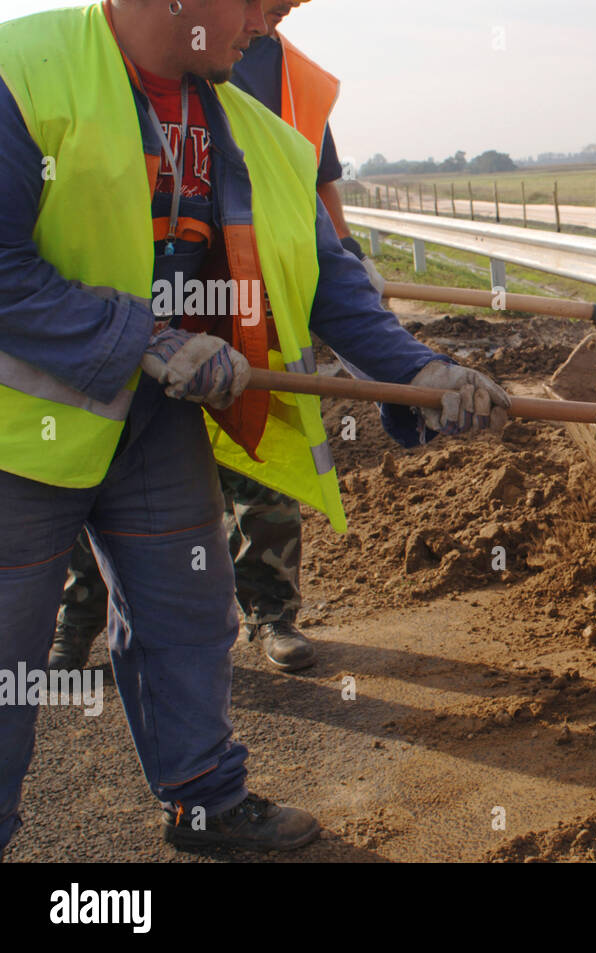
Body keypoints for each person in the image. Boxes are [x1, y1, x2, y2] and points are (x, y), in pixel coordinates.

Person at [0, 0, 508, 854]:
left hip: (152, 416)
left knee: (188, 612)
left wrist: (416, 368)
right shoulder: (24, 74)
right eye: (260, 1)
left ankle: (205, 799)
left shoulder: (247, 129)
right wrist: (148, 340)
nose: (269, 25)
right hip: (21, 431)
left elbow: (325, 276)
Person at [48, 0, 373, 674]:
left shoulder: (293, 76)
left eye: (283, 10)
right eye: (265, 4)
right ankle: (77, 622)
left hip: (250, 291)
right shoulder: (143, 47)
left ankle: (270, 613)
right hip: (143, 286)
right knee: (98, 455)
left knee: (260, 453)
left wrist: (342, 265)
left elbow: (316, 180)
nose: (268, 19)